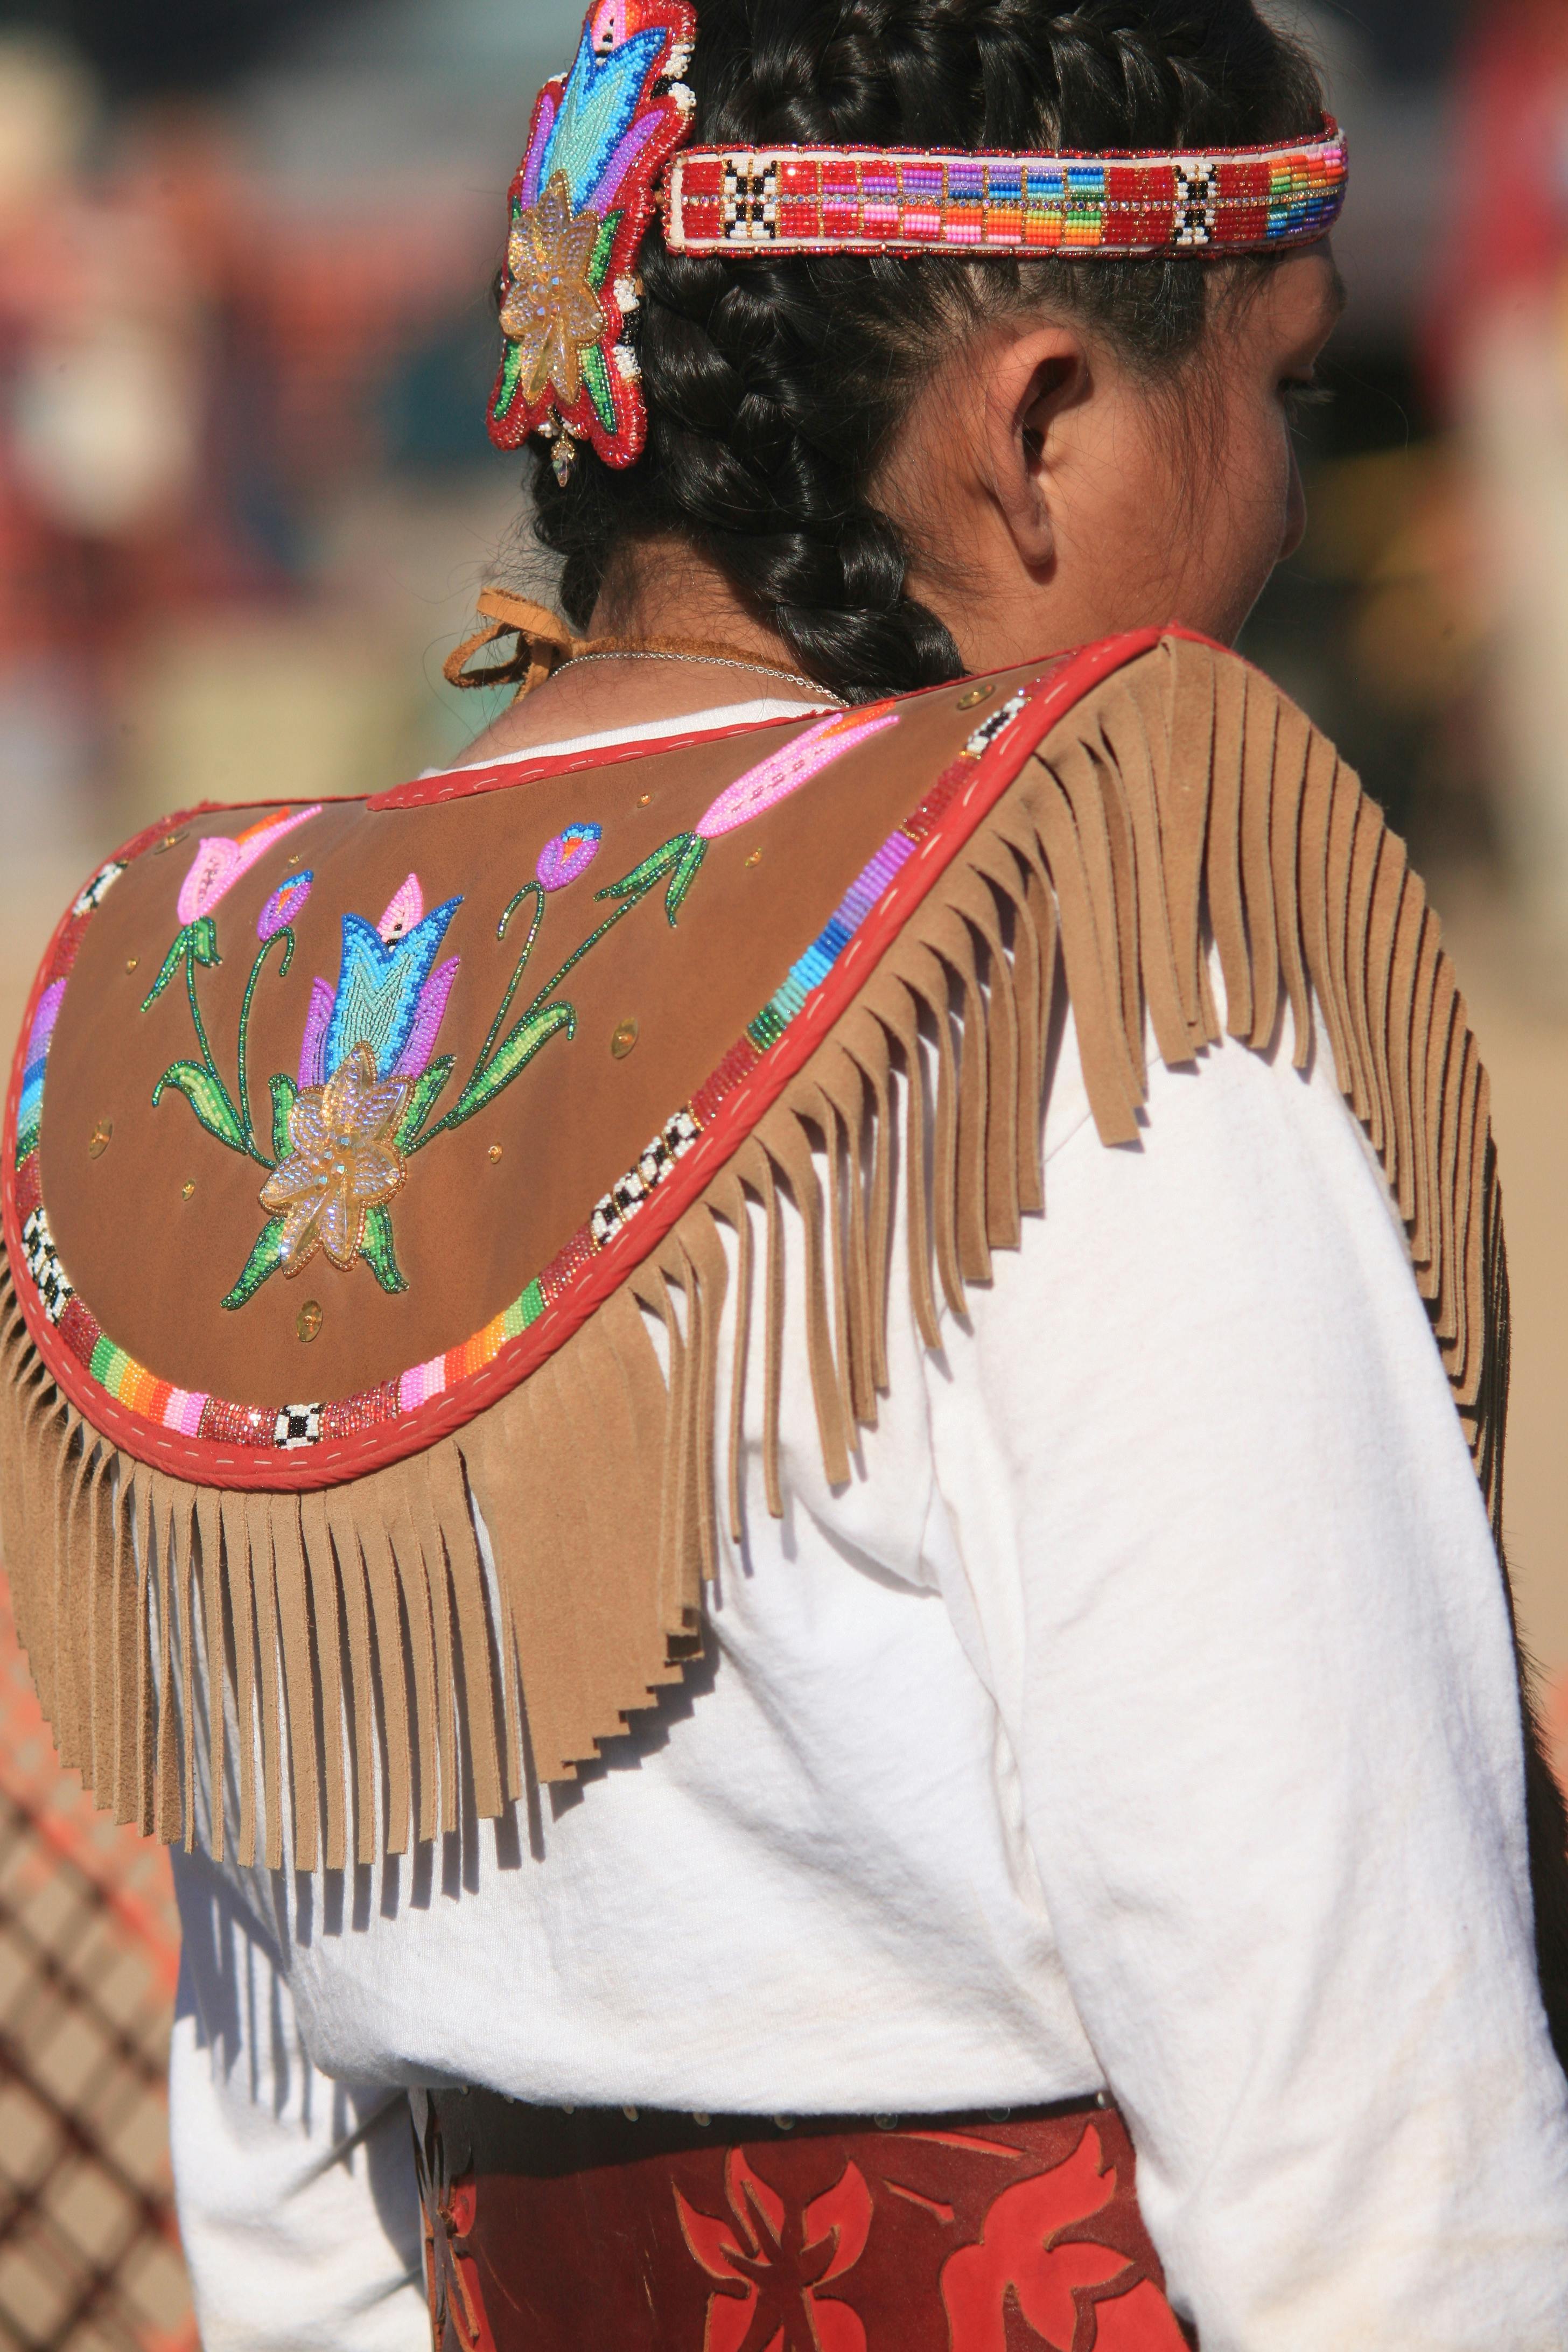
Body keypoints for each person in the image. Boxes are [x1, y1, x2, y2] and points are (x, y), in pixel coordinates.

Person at [2, 3, 1566, 2347]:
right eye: (1284, 389)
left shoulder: (203, 1009)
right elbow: (1370, 2161)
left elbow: (293, 2191)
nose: (1272, 494)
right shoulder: (1079, 980)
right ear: (1034, 427)